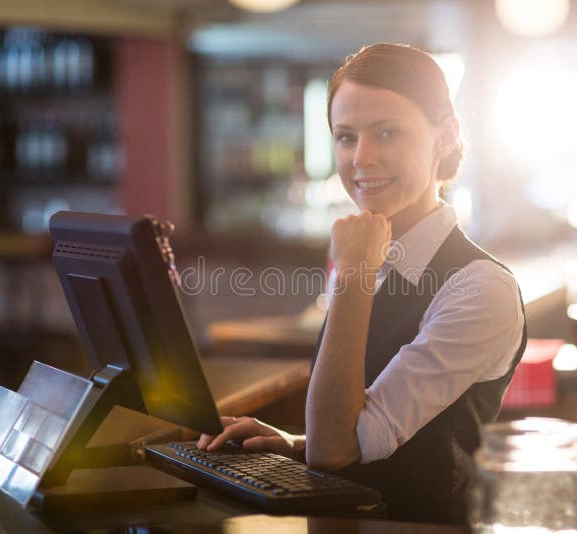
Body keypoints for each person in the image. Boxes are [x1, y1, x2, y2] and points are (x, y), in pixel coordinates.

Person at [197, 43, 527, 525]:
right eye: (346, 137)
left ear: (445, 137)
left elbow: (337, 450)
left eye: (388, 133)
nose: (361, 159)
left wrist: (353, 272)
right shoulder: (373, 254)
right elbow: (360, 427)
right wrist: (294, 444)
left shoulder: (480, 289)